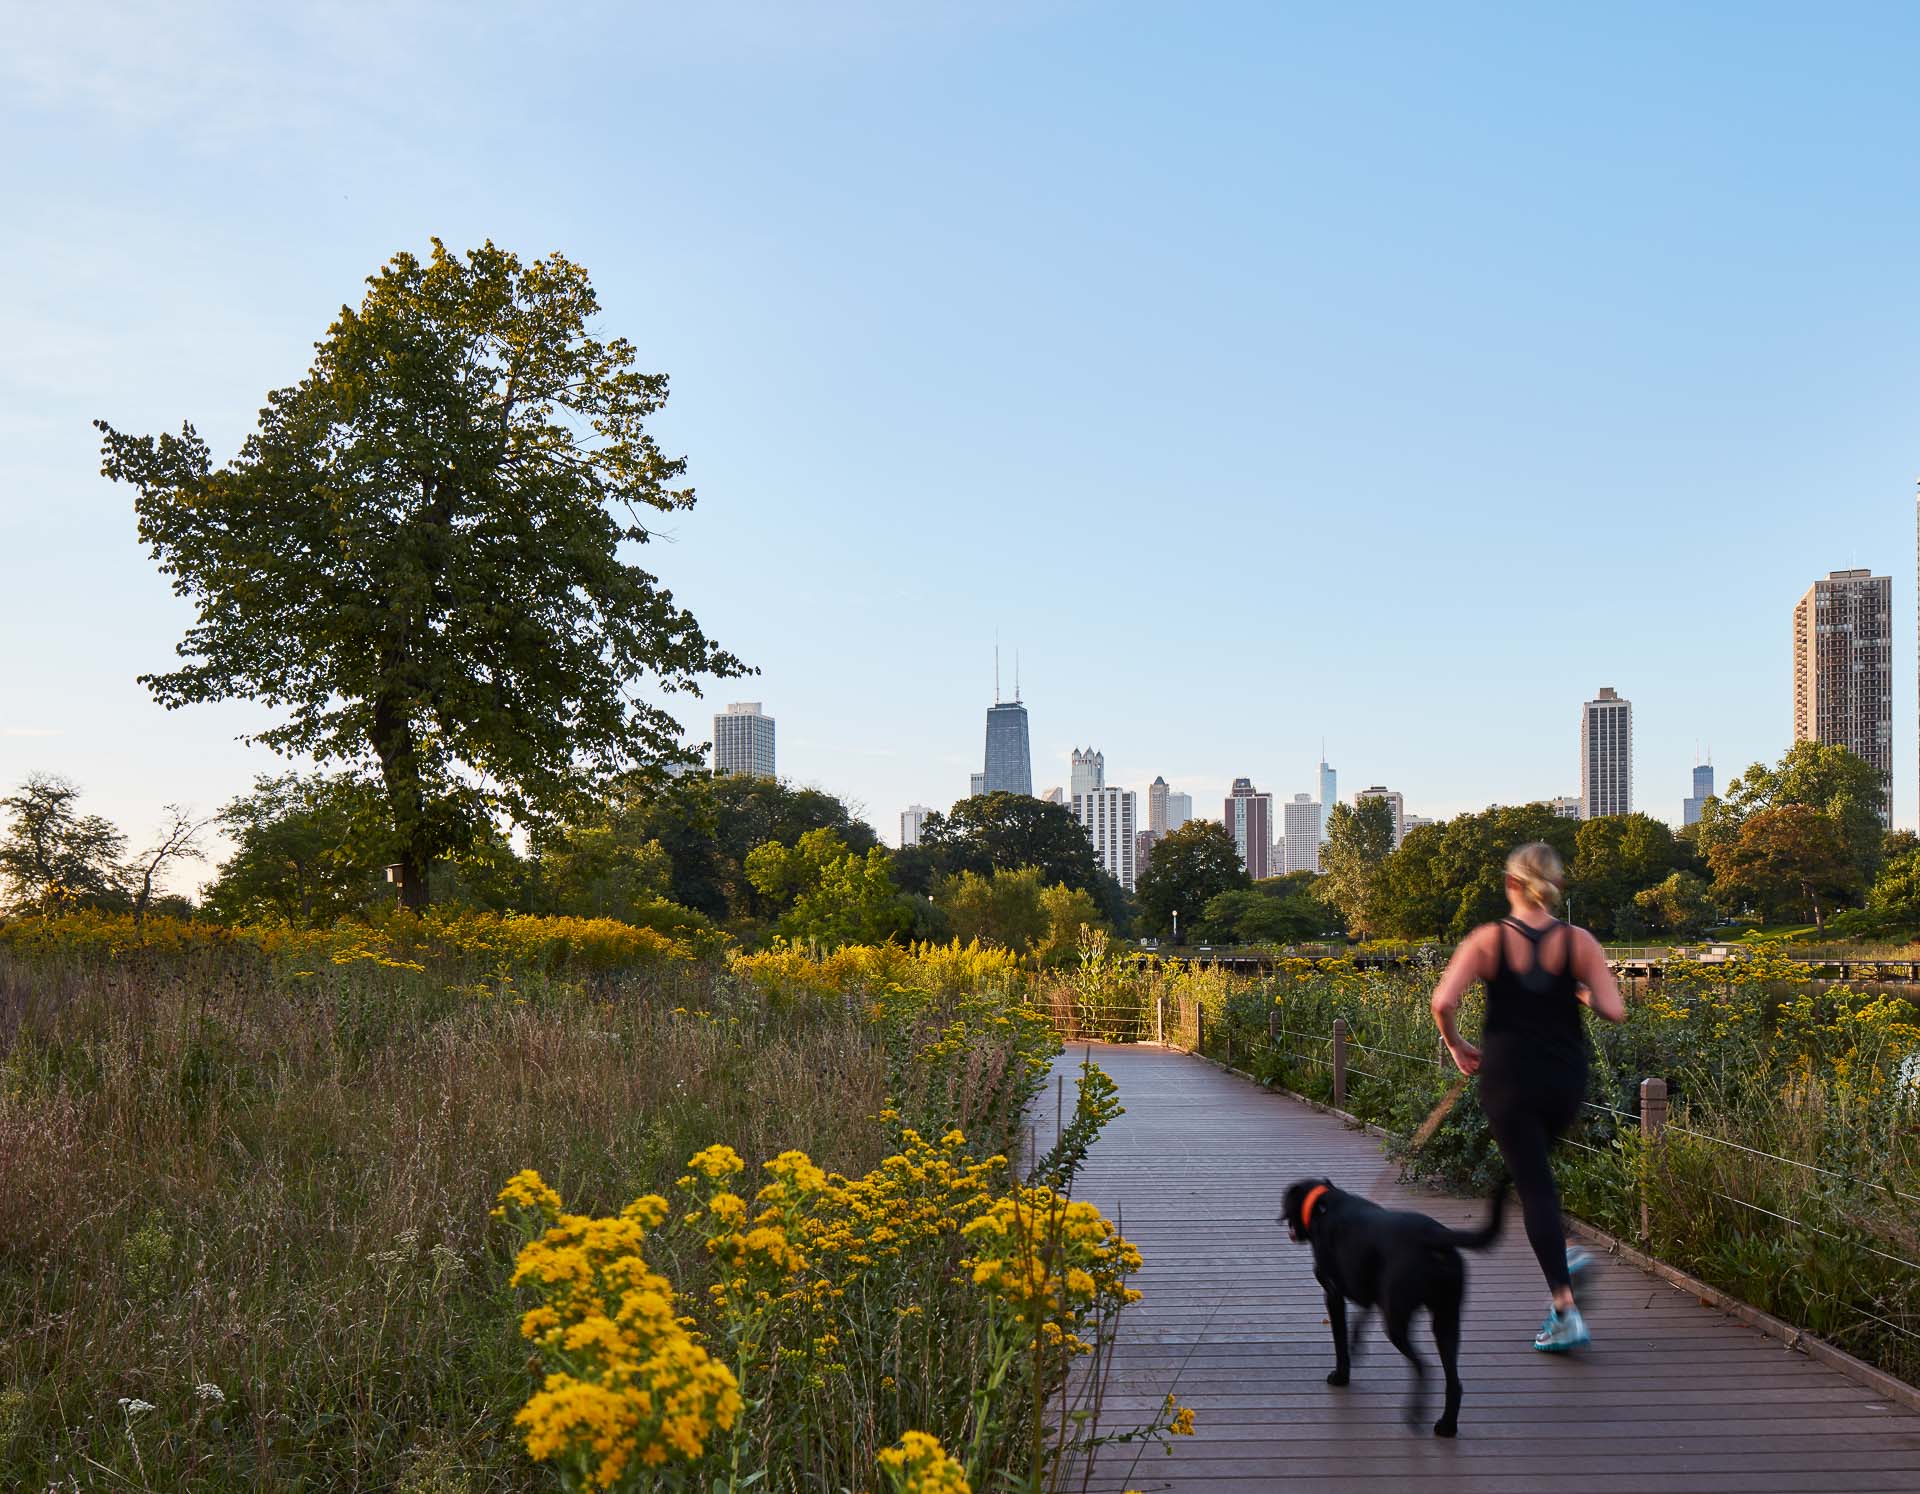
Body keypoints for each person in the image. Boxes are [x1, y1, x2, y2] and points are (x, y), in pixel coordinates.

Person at [1428, 841, 1626, 1351]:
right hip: (1564, 1081)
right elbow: (1614, 1009)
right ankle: (1568, 1252)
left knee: (1534, 1186)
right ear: (1553, 885)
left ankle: (1565, 1309)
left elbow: (1443, 1001)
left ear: (1511, 883)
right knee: (1538, 1176)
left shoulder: (1487, 939)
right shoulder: (1578, 940)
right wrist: (1574, 990)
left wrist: (1457, 1045)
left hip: (1509, 1079)